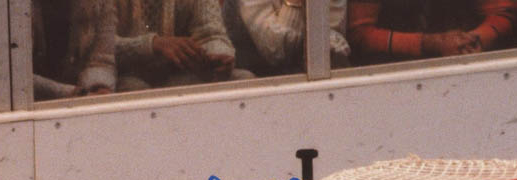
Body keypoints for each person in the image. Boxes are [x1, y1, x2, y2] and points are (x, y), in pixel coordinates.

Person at [115, 0, 250, 91]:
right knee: (136, 91)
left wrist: (217, 56)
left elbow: (211, 33)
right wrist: (152, 44)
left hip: (177, 74)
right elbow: (101, 48)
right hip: (123, 76)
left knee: (243, 80)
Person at [346, 0, 517, 64]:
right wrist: (430, 44)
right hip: (392, 72)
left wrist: (473, 41)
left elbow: (501, 13)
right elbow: (359, 35)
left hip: (465, 62)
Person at [223, 0, 350, 75]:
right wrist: (294, 2)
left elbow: (331, 36)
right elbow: (277, 51)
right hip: (258, 83)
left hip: (314, 77)